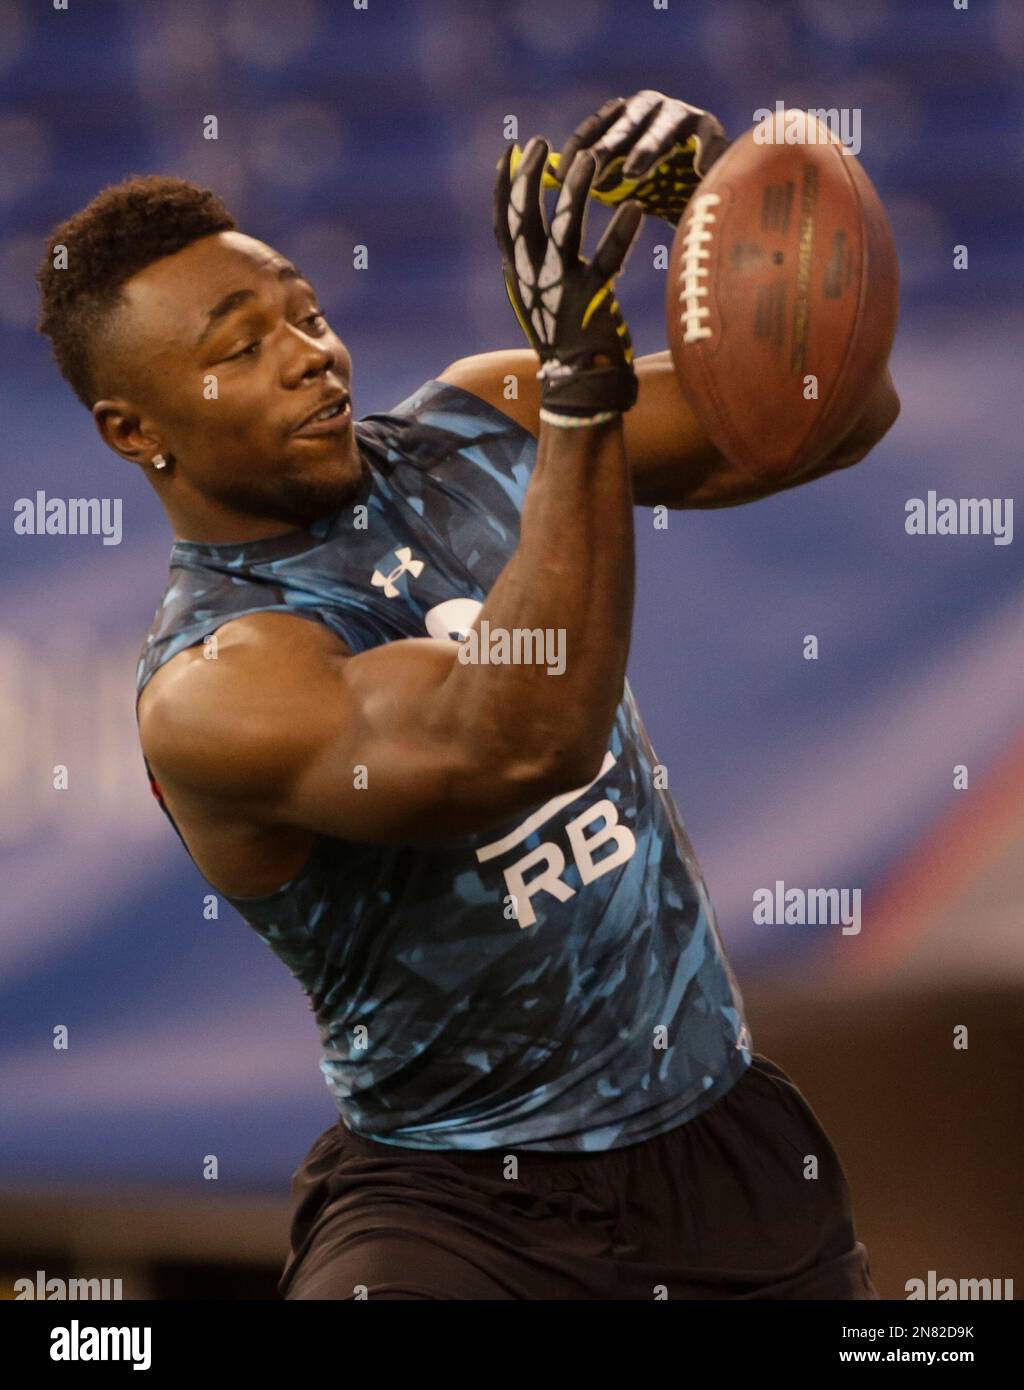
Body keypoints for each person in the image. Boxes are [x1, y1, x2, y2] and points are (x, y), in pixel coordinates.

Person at [36, 90, 897, 1299]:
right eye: (241, 347)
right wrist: (584, 394)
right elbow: (519, 739)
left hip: (723, 1150)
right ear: (135, 431)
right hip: (461, 1218)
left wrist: (724, 218)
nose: (308, 354)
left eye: (308, 313)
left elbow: (837, 418)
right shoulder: (213, 686)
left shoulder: (483, 421)